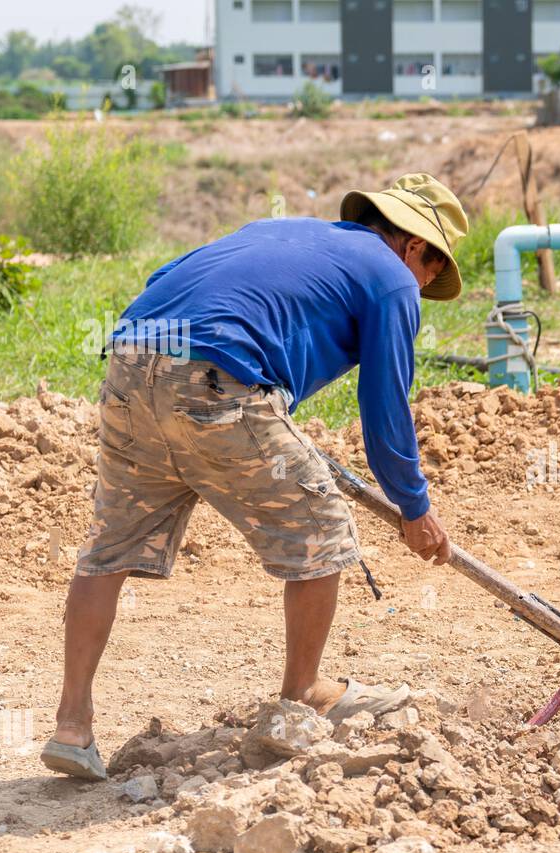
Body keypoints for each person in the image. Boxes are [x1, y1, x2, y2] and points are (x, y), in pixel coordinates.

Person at [40, 173, 468, 780]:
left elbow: (166, 284)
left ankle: (72, 726)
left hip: (130, 365)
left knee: (108, 548)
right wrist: (414, 505)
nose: (424, 289)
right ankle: (301, 700)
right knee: (319, 526)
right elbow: (386, 408)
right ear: (415, 247)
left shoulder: (277, 230)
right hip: (219, 381)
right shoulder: (393, 277)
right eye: (433, 274)